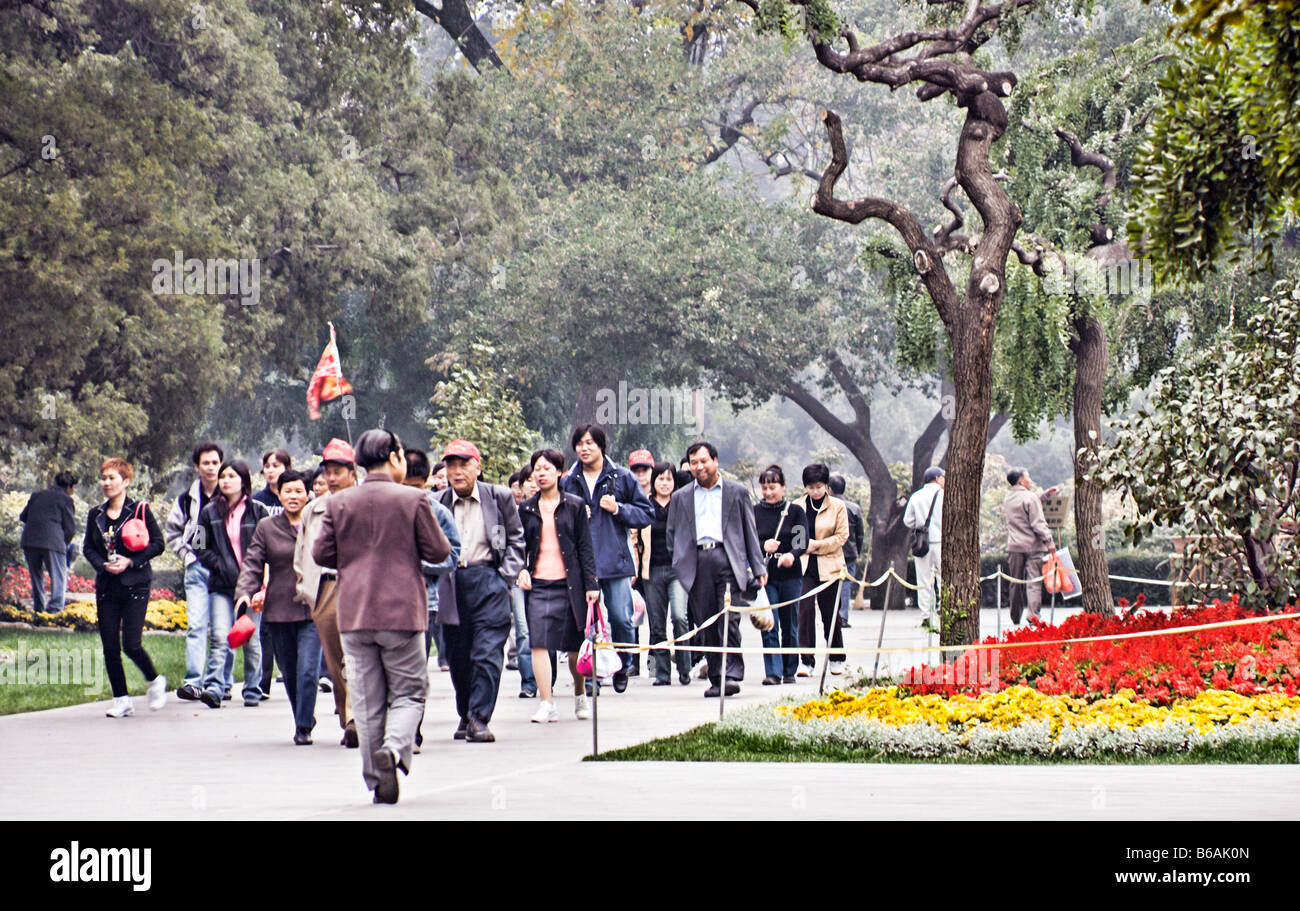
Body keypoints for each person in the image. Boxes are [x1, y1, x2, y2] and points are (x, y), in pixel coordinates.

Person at [313, 430, 451, 804]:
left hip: (355, 613)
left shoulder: (339, 503)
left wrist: (354, 558)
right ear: (393, 456)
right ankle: (393, 749)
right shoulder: (412, 498)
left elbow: (321, 554)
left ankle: (377, 780)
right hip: (402, 613)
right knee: (409, 692)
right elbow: (439, 551)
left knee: (368, 699)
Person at [436, 439, 526, 743]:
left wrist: (505, 577)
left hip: (489, 579)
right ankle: (466, 712)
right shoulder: (437, 501)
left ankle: (479, 718)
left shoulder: (498, 497)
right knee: (458, 655)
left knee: (487, 653)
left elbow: (516, 540)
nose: (457, 471)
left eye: (464, 464)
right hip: (450, 582)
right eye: (451, 465)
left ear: (478, 466)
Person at [666, 442, 766, 697]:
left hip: (727, 559)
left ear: (715, 461)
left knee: (728, 617)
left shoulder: (737, 492)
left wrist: (757, 566)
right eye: (694, 463)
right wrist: (680, 561)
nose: (699, 467)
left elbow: (749, 531)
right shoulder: (681, 497)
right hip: (697, 562)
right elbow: (672, 535)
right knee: (707, 621)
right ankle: (716, 677)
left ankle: (731, 674)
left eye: (703, 461)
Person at [558, 424, 653, 693]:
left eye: (590, 443)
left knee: (622, 618)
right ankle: (591, 676)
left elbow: (647, 513)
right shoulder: (568, 481)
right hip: (580, 565)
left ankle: (624, 664)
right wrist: (574, 517)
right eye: (579, 443)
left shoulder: (621, 477)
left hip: (615, 561)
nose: (584, 448)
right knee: (586, 623)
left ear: (601, 446)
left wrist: (619, 509)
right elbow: (556, 517)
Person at [234, 469, 319, 744]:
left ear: (308, 494)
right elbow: (252, 562)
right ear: (279, 494)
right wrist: (245, 593)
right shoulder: (267, 527)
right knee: (291, 671)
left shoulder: (319, 523)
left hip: (315, 607)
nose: (293, 496)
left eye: (298, 491)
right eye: (288, 491)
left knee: (308, 669)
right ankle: (302, 716)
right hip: (280, 610)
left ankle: (303, 726)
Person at [516, 448, 600, 723]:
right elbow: (520, 547)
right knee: (538, 643)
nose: (541, 474)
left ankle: (579, 693)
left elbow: (585, 548)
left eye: (546, 468)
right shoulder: (526, 508)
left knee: (574, 647)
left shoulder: (574, 505)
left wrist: (592, 584)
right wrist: (522, 570)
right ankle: (546, 701)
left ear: (559, 472)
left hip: (570, 585)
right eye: (537, 469)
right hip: (539, 585)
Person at [83, 458, 168, 718]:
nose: (106, 483)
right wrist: (102, 565)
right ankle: (121, 699)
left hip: (135, 585)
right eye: (103, 477)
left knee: (131, 644)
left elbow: (158, 544)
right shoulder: (95, 514)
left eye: (112, 478)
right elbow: (88, 547)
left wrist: (131, 561)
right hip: (108, 587)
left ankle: (155, 681)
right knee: (110, 646)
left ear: (126, 482)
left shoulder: (140, 510)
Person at [295, 438, 358, 746]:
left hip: (360, 584)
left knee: (359, 653)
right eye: (327, 472)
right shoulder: (313, 511)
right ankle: (348, 716)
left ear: (352, 471)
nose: (331, 478)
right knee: (337, 661)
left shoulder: (364, 502)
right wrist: (308, 592)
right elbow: (301, 554)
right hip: (327, 587)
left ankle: (357, 718)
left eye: (338, 471)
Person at [194, 460, 270, 708]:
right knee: (219, 636)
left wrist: (262, 581)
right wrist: (217, 564)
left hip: (251, 586)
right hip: (221, 585)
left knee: (251, 638)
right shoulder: (209, 512)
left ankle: (252, 688)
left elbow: (268, 548)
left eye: (231, 476)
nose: (225, 480)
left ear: (243, 481)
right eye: (223, 476)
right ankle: (215, 687)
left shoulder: (258, 511)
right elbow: (198, 546)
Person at [401, 448, 460, 751]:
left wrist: (417, 563)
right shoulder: (385, 509)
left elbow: (452, 556)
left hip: (424, 601)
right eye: (404, 486)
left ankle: (412, 729)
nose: (409, 493)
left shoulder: (438, 513)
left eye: (415, 487)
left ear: (425, 483)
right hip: (384, 602)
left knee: (414, 667)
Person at [164, 441, 224, 701]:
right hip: (197, 568)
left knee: (223, 630)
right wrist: (187, 556)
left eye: (215, 462)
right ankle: (192, 682)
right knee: (197, 625)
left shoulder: (230, 494)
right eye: (206, 463)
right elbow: (172, 533)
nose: (211, 468)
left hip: (224, 570)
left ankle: (220, 684)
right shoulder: (187, 499)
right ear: (197, 467)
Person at [636, 461, 693, 686]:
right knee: (657, 624)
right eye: (661, 478)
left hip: (678, 570)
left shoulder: (682, 505)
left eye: (669, 479)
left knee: (680, 616)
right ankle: (661, 672)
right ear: (654, 481)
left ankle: (685, 666)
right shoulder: (645, 506)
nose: (665, 483)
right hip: (652, 570)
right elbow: (634, 537)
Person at [754, 465, 807, 685]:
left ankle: (789, 670)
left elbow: (802, 540)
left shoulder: (795, 511)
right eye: (764, 487)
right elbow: (746, 541)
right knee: (769, 623)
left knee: (790, 622)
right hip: (767, 575)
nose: (768, 492)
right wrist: (762, 545)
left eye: (773, 487)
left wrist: (792, 555)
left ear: (783, 486)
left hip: (791, 575)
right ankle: (773, 672)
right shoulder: (754, 512)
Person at [796, 463, 850, 677]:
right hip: (805, 566)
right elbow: (795, 534)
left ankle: (837, 656)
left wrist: (819, 545)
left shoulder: (837, 506)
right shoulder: (797, 506)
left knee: (830, 612)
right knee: (805, 611)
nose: (815, 491)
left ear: (827, 486)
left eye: (819, 486)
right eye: (810, 487)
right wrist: (803, 545)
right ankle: (806, 661)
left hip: (830, 565)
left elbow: (842, 536)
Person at [251, 449, 291, 697]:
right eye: (267, 465)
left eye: (277, 465)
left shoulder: (296, 495)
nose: (271, 469)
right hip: (266, 567)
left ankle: (292, 673)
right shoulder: (257, 501)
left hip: (290, 568)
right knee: (265, 626)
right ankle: (262, 681)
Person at [1005, 469, 1060, 625]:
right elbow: (1038, 522)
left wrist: (1046, 494)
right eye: (1028, 477)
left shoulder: (1008, 497)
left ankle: (1015, 615)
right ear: (1021, 480)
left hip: (1015, 546)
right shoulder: (1030, 497)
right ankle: (1033, 615)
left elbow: (1029, 503)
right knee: (1033, 582)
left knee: (1015, 582)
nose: (1030, 480)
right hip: (1033, 547)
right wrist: (1049, 542)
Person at [19, 471, 78, 614]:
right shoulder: (66, 499)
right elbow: (70, 528)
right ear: (69, 487)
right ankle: (55, 610)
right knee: (58, 577)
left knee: (36, 576)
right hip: (53, 542)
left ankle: (39, 609)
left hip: (30, 540)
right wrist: (65, 543)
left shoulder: (37, 495)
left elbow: (23, 516)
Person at [503, 468, 537, 697]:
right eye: (528, 481)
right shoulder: (512, 513)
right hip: (518, 578)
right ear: (520, 486)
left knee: (545, 632)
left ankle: (546, 676)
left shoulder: (549, 510)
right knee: (523, 632)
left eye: (536, 479)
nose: (534, 484)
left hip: (543, 577)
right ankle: (528, 682)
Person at [904, 467, 945, 627]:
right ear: (937, 478)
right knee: (943, 577)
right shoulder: (944, 495)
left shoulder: (916, 496)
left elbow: (907, 521)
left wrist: (920, 526)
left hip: (923, 543)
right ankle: (944, 607)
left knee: (923, 579)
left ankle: (926, 616)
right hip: (941, 541)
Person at [829, 474, 863, 629]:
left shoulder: (827, 506)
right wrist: (858, 550)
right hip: (849, 551)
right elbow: (860, 533)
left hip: (830, 550)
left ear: (829, 489)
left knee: (830, 583)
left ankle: (832, 617)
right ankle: (843, 616)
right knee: (846, 583)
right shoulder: (854, 508)